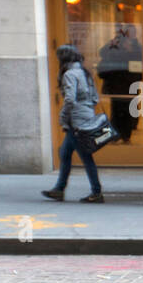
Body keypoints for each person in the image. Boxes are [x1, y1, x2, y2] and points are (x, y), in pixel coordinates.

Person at [42, 45, 107, 203]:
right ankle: (59, 188)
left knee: (85, 156)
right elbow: (95, 98)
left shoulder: (69, 74)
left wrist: (63, 116)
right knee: (65, 153)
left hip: (76, 121)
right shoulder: (84, 72)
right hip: (86, 116)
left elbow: (70, 99)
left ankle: (96, 192)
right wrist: (86, 108)